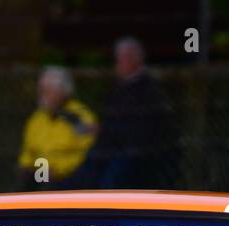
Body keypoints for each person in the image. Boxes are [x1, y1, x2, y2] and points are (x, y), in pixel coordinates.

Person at [91, 37, 176, 188]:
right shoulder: (115, 89)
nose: (117, 63)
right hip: (109, 149)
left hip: (139, 154)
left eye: (121, 58)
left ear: (134, 59)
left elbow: (146, 131)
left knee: (112, 177)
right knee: (86, 169)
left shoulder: (150, 90)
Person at [15, 66, 98, 190]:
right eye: (42, 90)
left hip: (69, 176)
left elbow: (86, 153)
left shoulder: (79, 117)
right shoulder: (37, 118)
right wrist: (26, 166)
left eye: (48, 90)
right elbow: (28, 152)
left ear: (63, 91)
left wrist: (59, 169)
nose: (43, 95)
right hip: (41, 172)